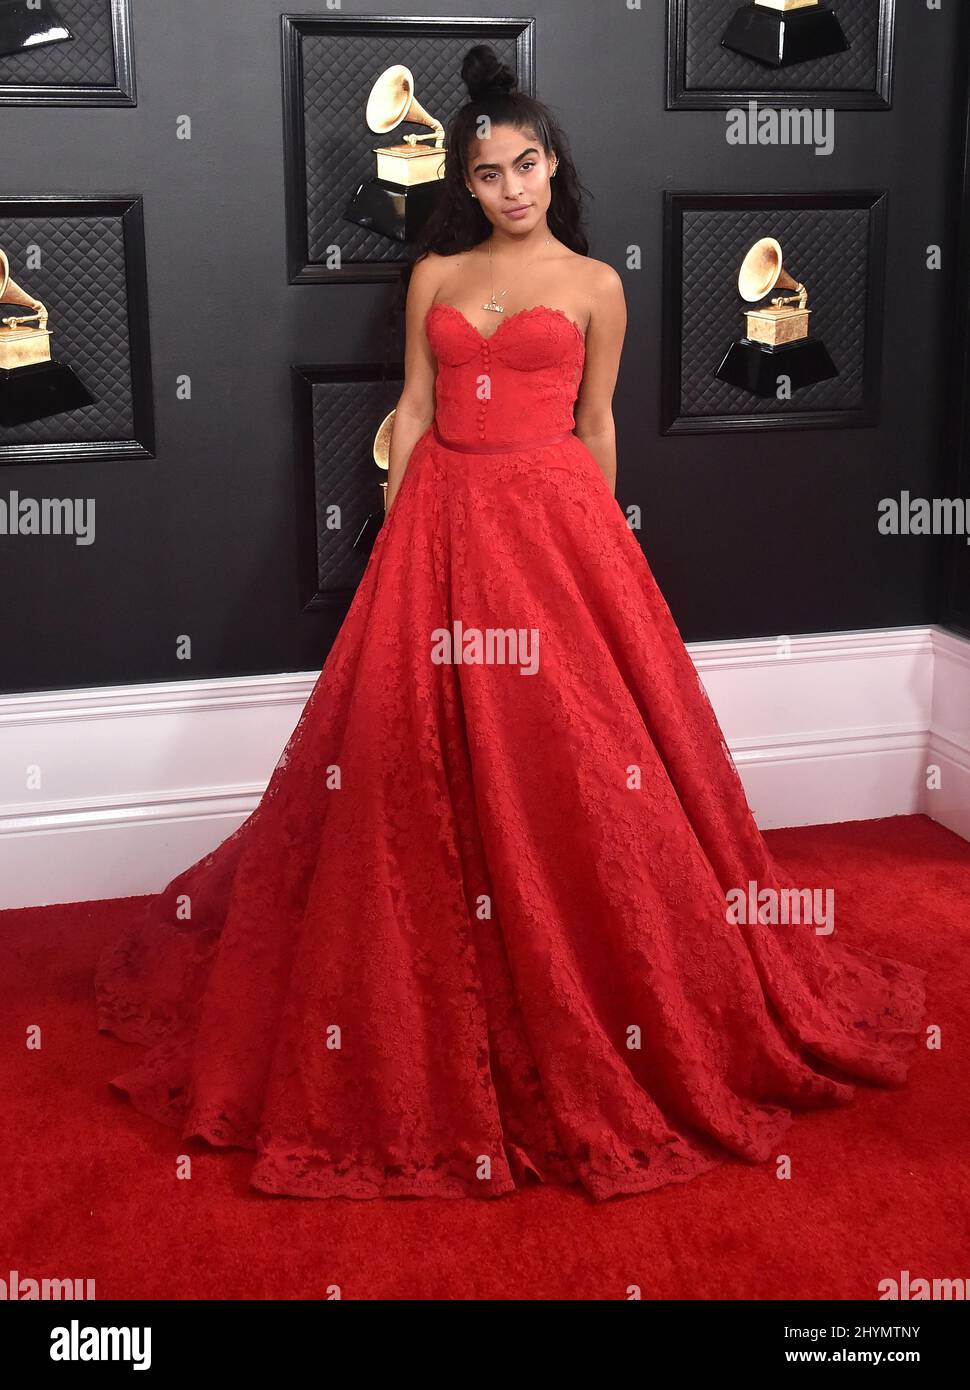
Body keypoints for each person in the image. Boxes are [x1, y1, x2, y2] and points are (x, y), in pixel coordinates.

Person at [95, 44, 927, 1201]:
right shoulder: (434, 275)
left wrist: (606, 555)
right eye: (487, 173)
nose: (511, 187)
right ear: (467, 184)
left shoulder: (596, 284)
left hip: (553, 529)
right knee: (409, 762)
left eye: (526, 164)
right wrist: (393, 539)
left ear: (552, 165)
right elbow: (414, 410)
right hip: (440, 519)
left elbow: (596, 425)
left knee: (575, 761)